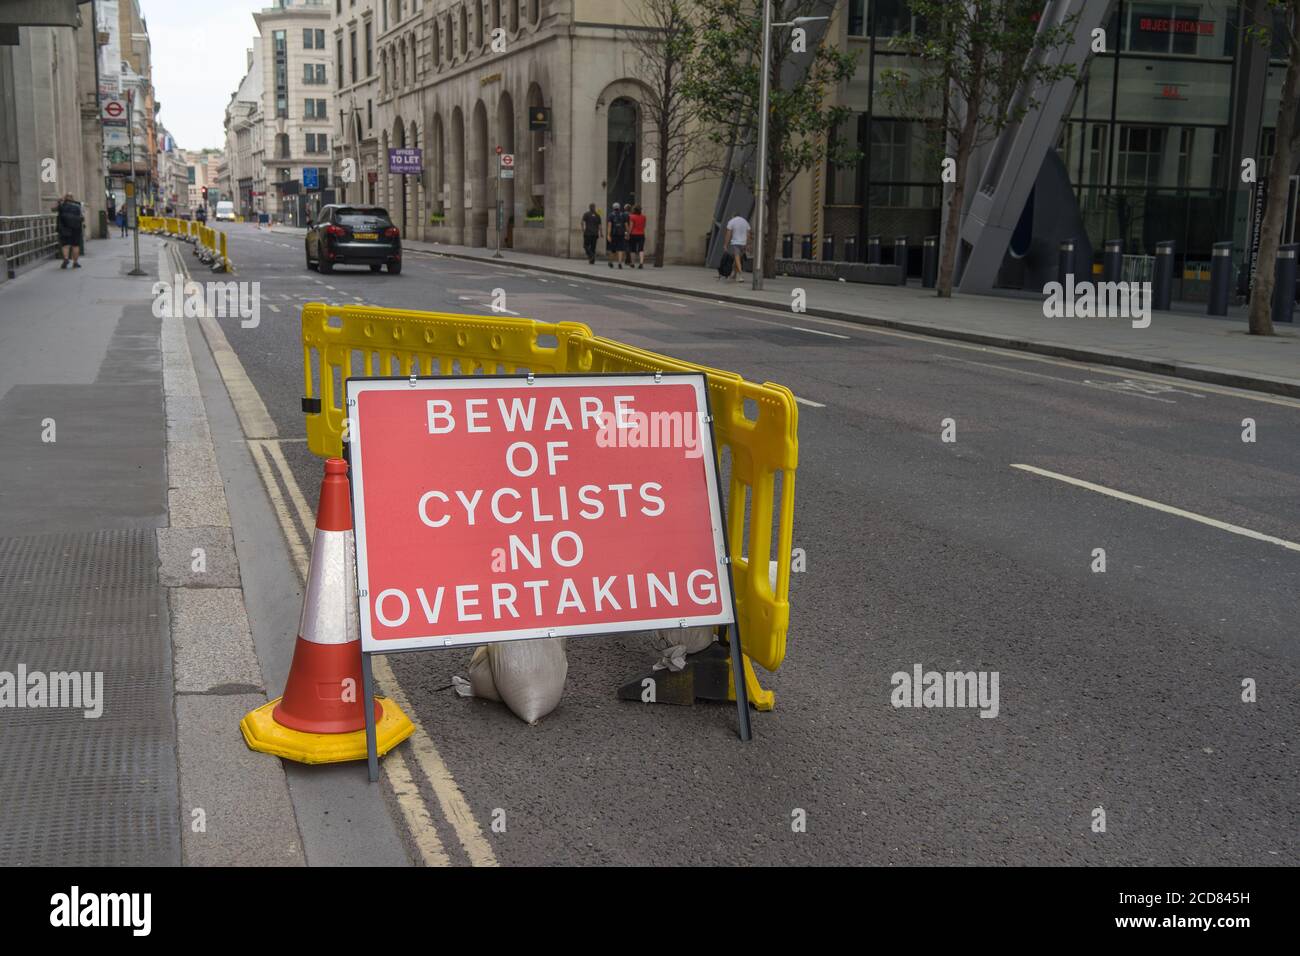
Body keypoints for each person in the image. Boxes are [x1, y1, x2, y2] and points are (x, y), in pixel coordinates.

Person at [53, 193, 83, 269]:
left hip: (64, 228)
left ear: (65, 198)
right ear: (73, 198)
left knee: (65, 245)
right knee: (75, 245)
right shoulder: (78, 205)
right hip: (76, 228)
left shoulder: (62, 205)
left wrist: (58, 201)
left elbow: (53, 209)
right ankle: (75, 263)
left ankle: (66, 258)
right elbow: (82, 216)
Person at [724, 211, 750, 284]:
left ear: (733, 216)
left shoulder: (731, 221)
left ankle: (740, 275)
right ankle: (734, 274)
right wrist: (747, 244)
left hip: (736, 243)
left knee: (737, 258)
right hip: (743, 243)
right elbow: (748, 233)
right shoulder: (745, 222)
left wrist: (725, 244)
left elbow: (728, 234)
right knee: (736, 259)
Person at [606, 202, 626, 269]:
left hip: (613, 234)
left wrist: (608, 235)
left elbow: (609, 225)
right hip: (621, 234)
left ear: (613, 208)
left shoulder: (611, 215)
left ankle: (611, 262)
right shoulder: (623, 215)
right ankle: (620, 263)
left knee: (613, 249)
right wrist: (627, 233)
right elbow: (626, 225)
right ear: (619, 207)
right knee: (620, 249)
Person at [627, 204, 647, 269]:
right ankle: (641, 263)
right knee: (641, 249)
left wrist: (628, 234)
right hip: (641, 234)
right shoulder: (643, 217)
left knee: (633, 249)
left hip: (633, 234)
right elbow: (644, 226)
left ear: (634, 210)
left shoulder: (631, 216)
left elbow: (631, 227)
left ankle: (632, 263)